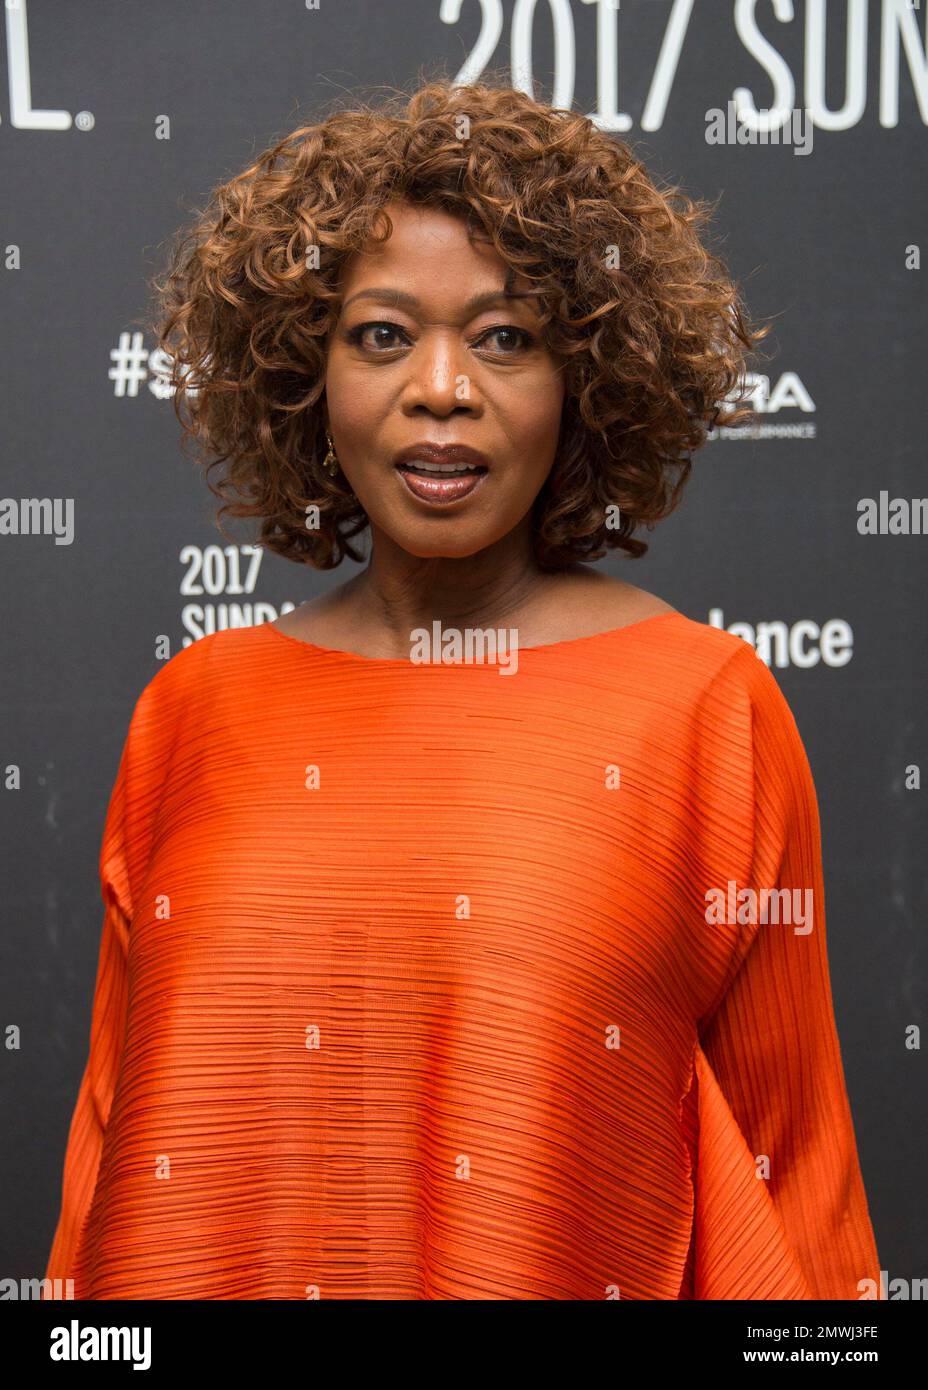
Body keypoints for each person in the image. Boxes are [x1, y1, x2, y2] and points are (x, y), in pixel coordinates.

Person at [44, 77, 879, 1299]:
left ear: (584, 379)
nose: (442, 385)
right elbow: (109, 1163)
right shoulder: (195, 709)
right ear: (304, 378)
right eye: (381, 334)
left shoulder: (704, 707)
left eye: (506, 337)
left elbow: (792, 1175)